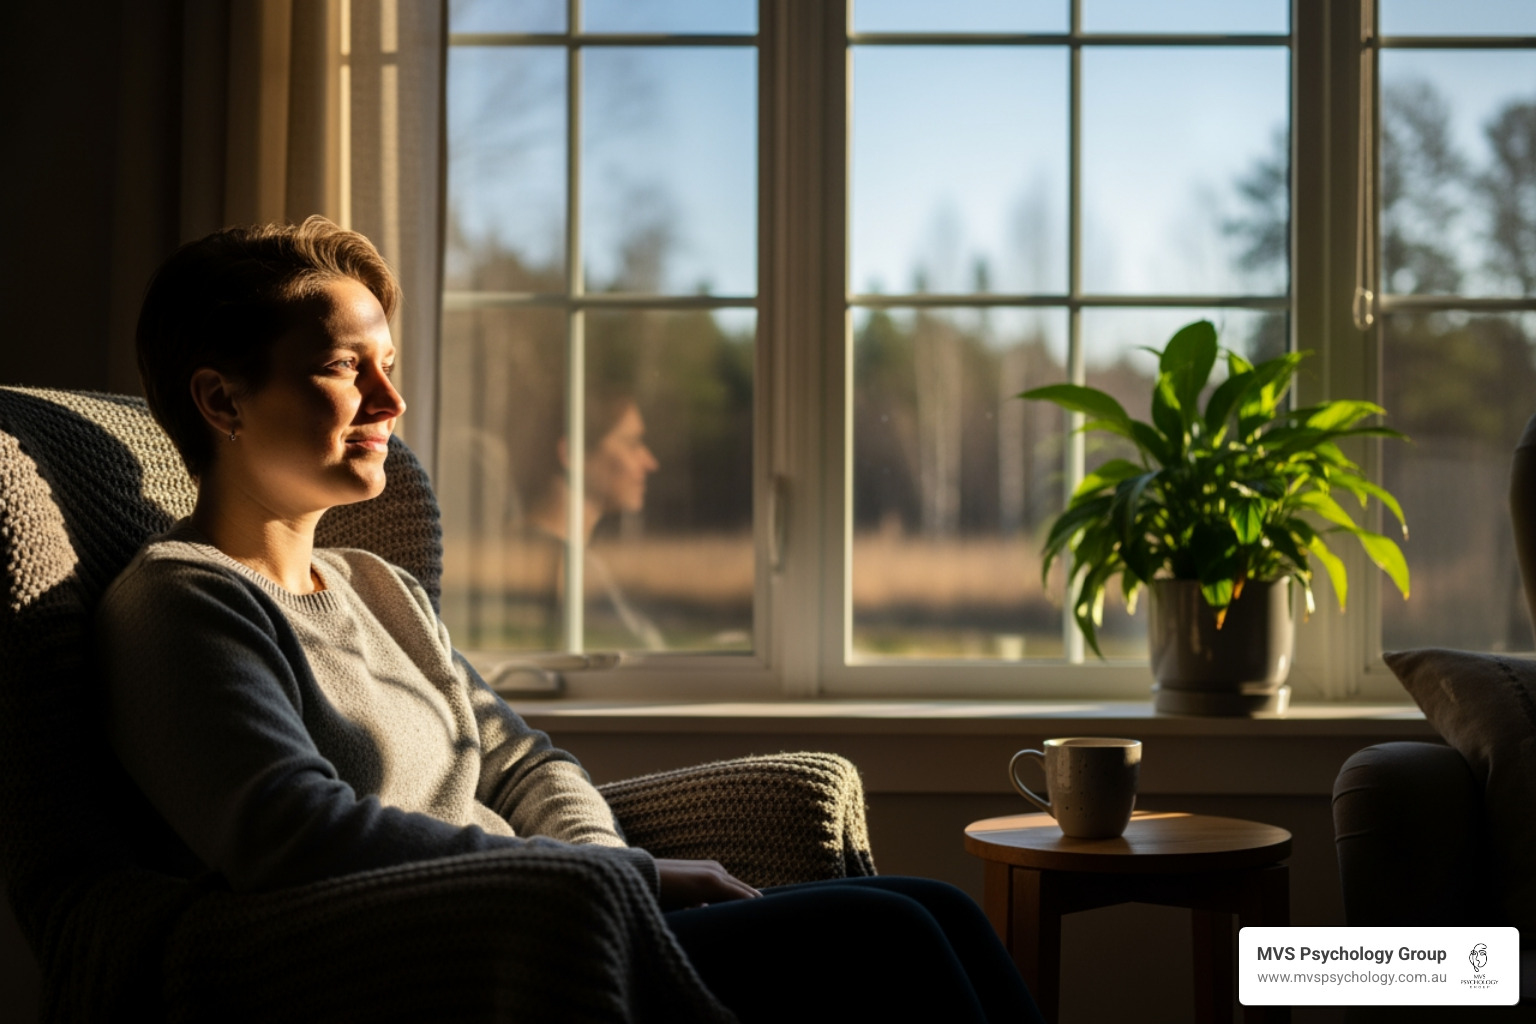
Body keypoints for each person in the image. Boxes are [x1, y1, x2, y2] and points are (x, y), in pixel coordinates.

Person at [97, 216, 1043, 1023]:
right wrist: (611, 885)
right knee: (888, 935)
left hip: (567, 909)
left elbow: (525, 761)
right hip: (462, 953)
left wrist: (602, 870)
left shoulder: (377, 588)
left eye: (389, 365)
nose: (392, 401)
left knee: (935, 907)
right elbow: (297, 835)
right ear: (222, 398)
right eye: (346, 369)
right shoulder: (181, 602)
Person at [512, 390, 667, 651]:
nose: (650, 462)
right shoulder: (561, 571)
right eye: (631, 443)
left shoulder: (572, 563)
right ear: (571, 453)